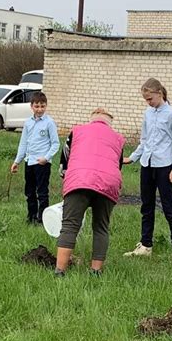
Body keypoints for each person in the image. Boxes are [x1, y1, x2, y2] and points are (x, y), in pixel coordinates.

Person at [55, 108, 125, 277]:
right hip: (108, 183)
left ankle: (60, 271)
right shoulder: (118, 139)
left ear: (92, 120)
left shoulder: (77, 131)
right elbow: (118, 164)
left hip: (79, 180)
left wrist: (66, 179)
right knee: (101, 227)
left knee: (70, 225)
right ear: (109, 123)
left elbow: (65, 159)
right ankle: (95, 271)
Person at [123, 78, 172, 263]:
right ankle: (145, 245)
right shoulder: (148, 113)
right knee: (146, 206)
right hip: (147, 165)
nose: (148, 102)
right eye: (146, 99)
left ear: (159, 93)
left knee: (168, 207)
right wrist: (133, 157)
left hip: (164, 167)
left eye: (150, 98)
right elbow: (144, 140)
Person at [10, 91, 60, 223]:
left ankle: (42, 219)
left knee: (42, 192)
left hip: (42, 163)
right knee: (29, 191)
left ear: (46, 106)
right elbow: (23, 143)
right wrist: (17, 161)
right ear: (31, 106)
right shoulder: (28, 123)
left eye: (42, 106)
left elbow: (55, 144)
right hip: (29, 161)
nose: (39, 109)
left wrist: (46, 158)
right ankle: (31, 216)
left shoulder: (49, 123)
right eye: (37, 106)